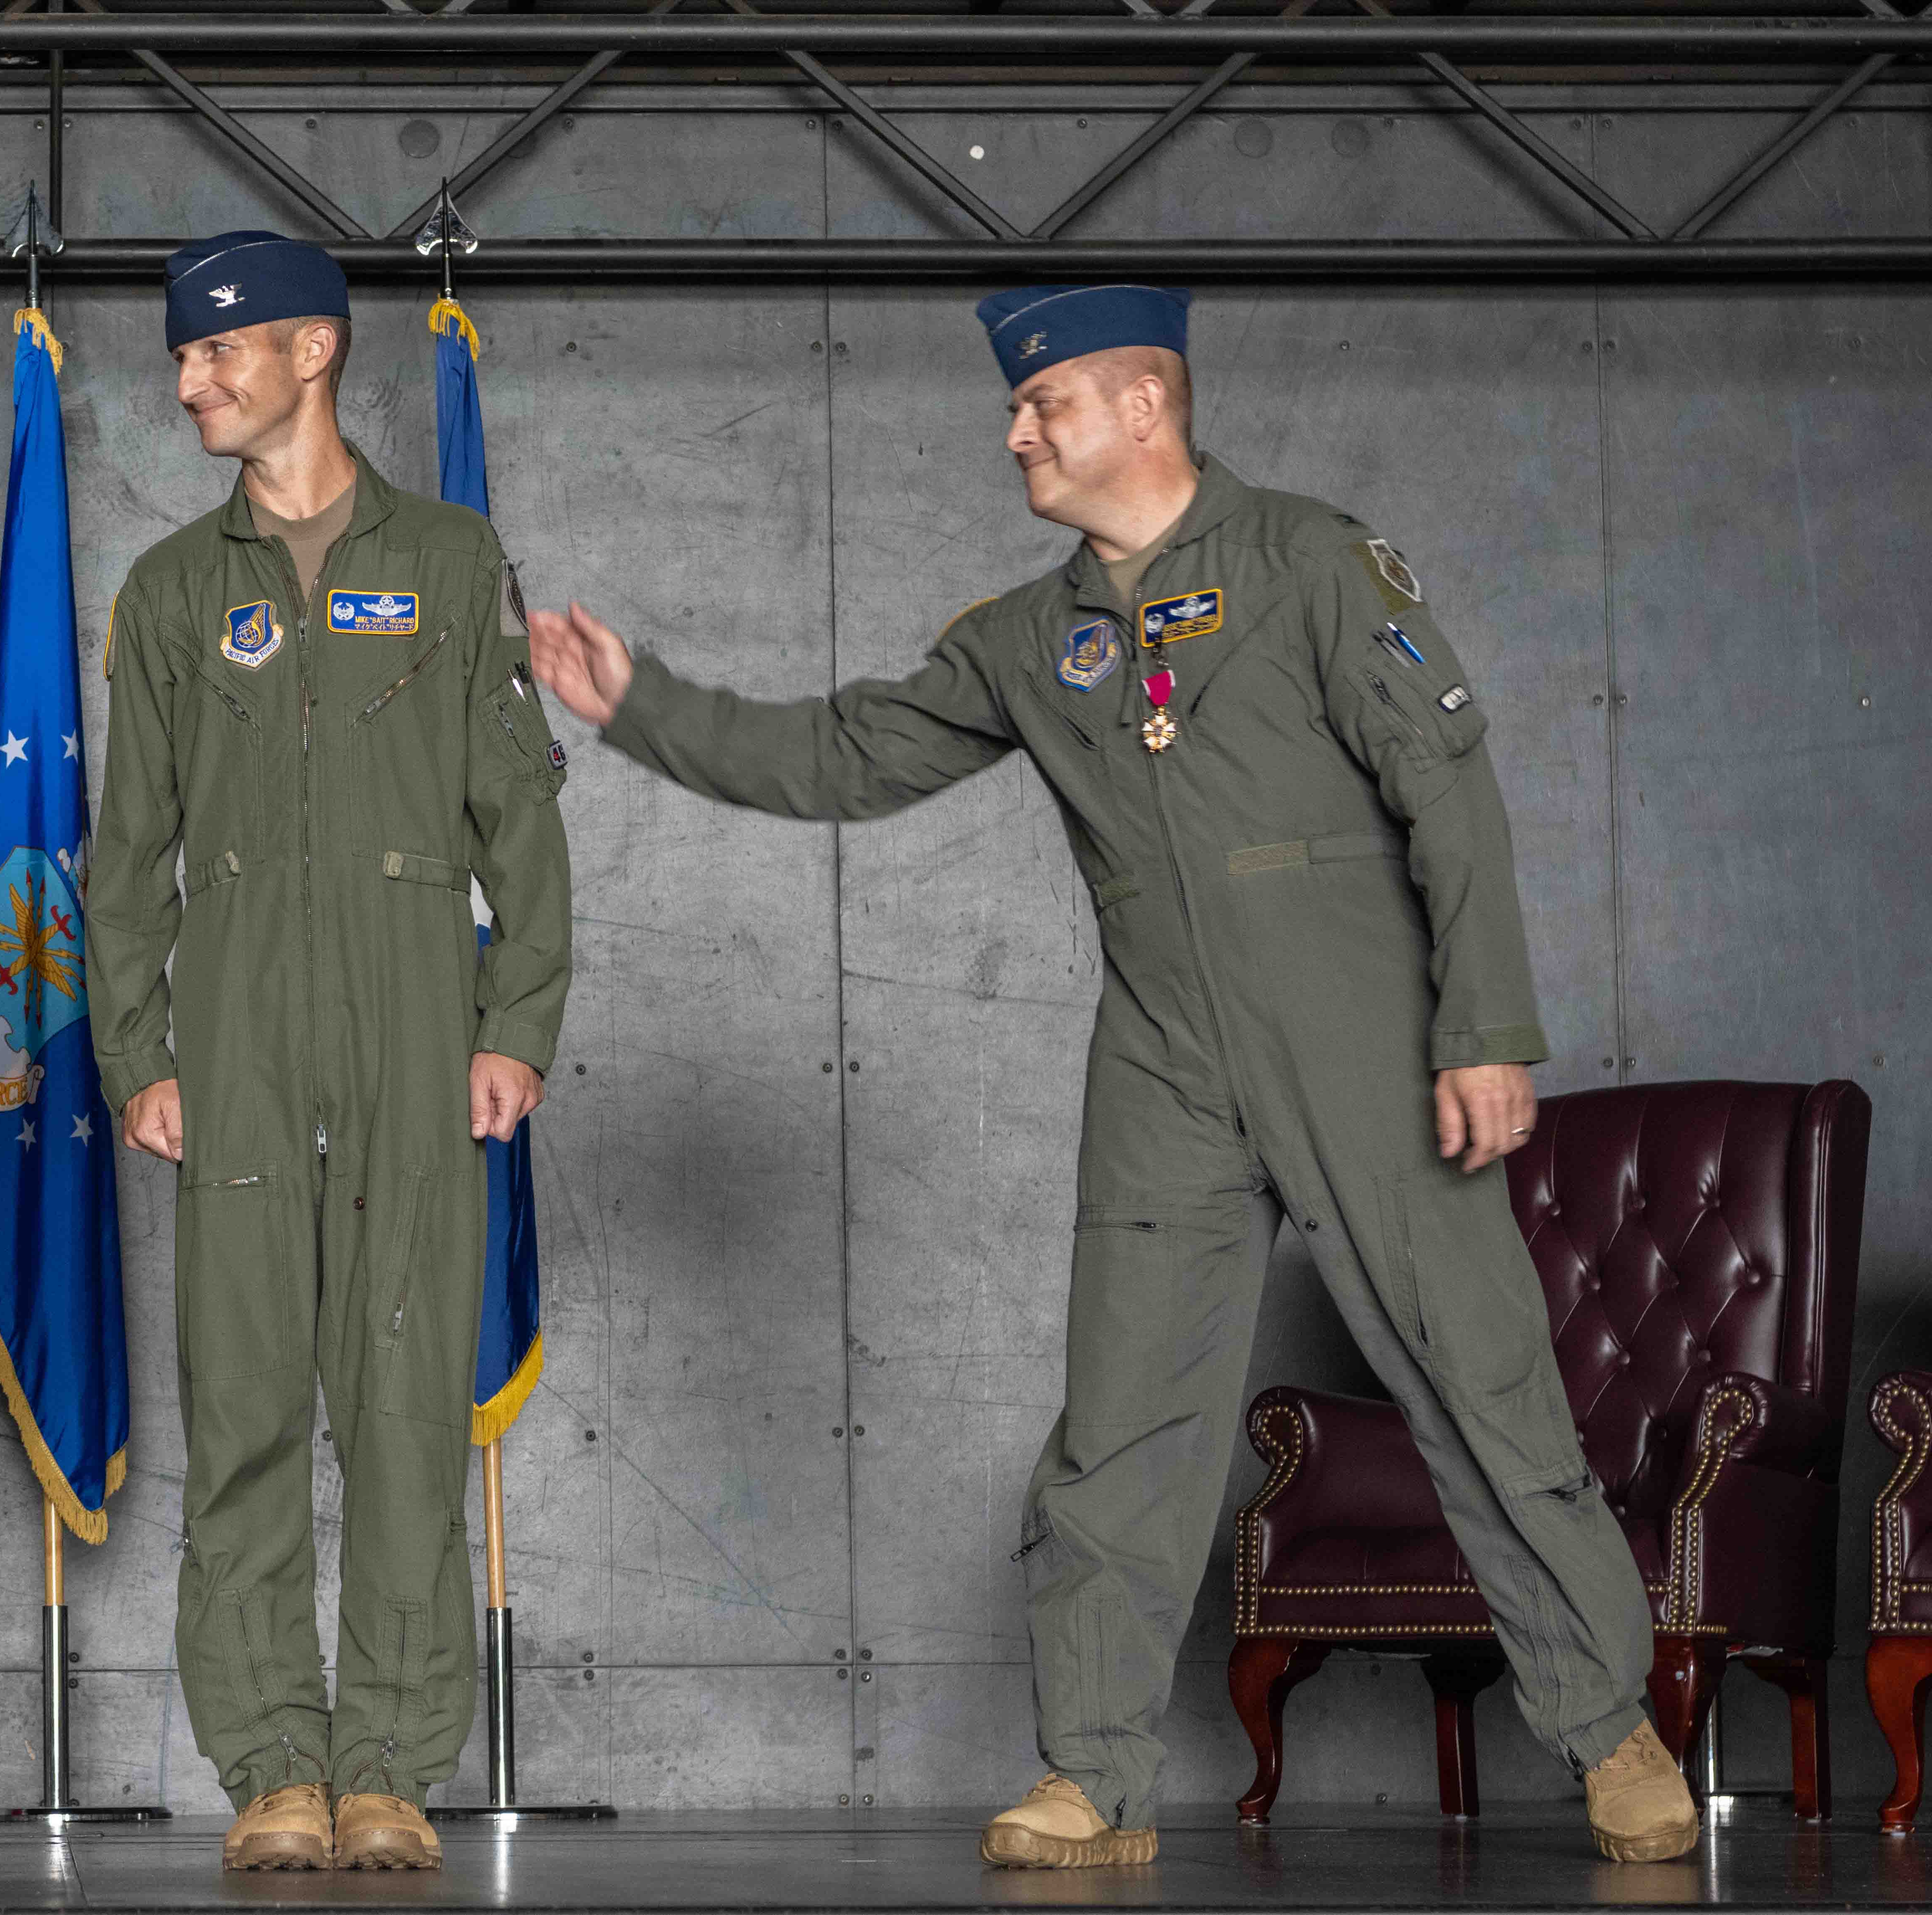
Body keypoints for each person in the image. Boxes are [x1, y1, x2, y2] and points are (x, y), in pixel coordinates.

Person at [526, 284, 1697, 1867]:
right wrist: (641, 706)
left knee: (1477, 1377)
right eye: (1017, 410)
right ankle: (1096, 1778)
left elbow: (1448, 780)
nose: (1015, 433)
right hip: (1162, 1061)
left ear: (1145, 405)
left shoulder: (1311, 562)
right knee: (1123, 1421)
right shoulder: (1028, 640)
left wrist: (1483, 1025)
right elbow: (849, 754)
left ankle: (1613, 1733)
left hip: (1366, 1038)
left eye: (1044, 406)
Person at [86, 233, 575, 1872]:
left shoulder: (446, 559)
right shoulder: (167, 590)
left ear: (307, 350)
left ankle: (387, 1761)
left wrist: (514, 1027)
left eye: (216, 354)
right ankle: (270, 1761)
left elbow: (520, 807)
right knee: (236, 1400)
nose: (187, 383)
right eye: (177, 359)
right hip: (230, 1021)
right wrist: (136, 1046)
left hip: (414, 1004)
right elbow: (123, 845)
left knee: (402, 1403)